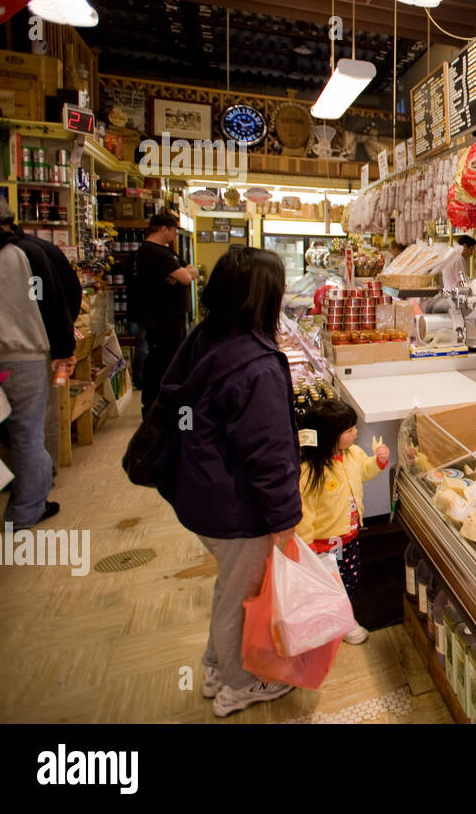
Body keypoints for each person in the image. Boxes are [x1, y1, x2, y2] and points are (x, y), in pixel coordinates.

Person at [155, 246, 303, 717]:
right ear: (264, 297)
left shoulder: (208, 337)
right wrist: (284, 517)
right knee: (241, 595)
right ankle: (240, 685)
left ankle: (217, 666)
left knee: (229, 588)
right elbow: (269, 451)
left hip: (201, 489)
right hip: (235, 503)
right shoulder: (257, 363)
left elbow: (175, 405)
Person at [0, 195, 80, 526]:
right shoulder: (25, 253)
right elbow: (53, 305)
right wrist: (64, 349)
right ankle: (25, 511)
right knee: (27, 434)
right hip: (25, 356)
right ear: (8, 220)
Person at [295, 398, 389, 644]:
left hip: (350, 536)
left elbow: (364, 471)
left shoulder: (353, 454)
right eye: (349, 430)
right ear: (329, 436)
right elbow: (303, 511)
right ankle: (341, 623)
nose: (355, 432)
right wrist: (307, 545)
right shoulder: (309, 471)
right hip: (324, 543)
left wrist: (378, 461)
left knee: (349, 579)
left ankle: (340, 619)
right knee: (329, 585)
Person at [132, 212, 198, 417]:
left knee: (167, 358)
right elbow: (188, 278)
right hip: (162, 316)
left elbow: (192, 271)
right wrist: (182, 275)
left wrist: (181, 274)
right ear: (164, 229)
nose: (176, 233)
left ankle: (163, 402)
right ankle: (157, 405)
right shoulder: (154, 253)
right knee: (162, 360)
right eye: (174, 229)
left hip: (169, 315)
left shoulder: (165, 252)